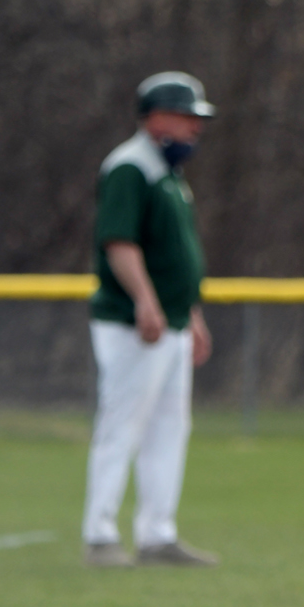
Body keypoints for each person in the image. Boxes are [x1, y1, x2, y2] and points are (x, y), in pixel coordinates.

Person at [83, 72, 220, 569]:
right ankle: (99, 535)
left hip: (173, 323)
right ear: (156, 118)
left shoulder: (168, 174)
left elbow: (177, 257)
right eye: (187, 118)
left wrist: (192, 315)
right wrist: (146, 301)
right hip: (132, 323)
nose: (194, 129)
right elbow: (119, 241)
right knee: (122, 424)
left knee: (169, 427)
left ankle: (157, 535)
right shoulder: (130, 168)